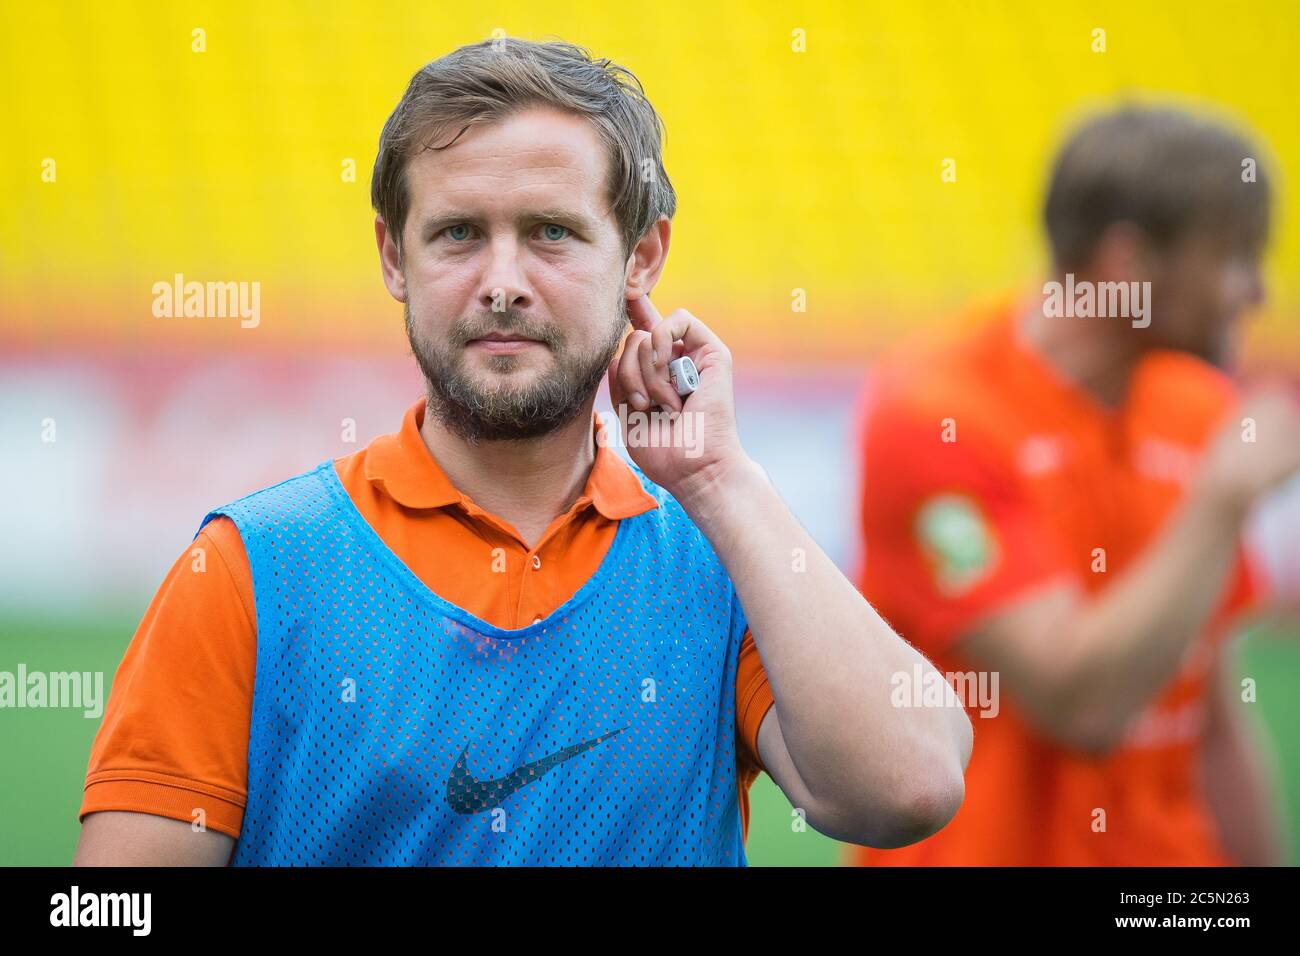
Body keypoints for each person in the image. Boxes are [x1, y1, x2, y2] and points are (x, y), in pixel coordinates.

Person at [74, 37, 971, 866]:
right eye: (459, 232)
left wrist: (718, 479)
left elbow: (909, 789)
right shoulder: (248, 570)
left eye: (551, 232)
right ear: (394, 256)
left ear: (641, 258)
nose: (502, 285)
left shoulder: (722, 565)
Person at [849, 105, 1300, 866]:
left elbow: (1211, 715)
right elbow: (1077, 703)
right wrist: (1221, 503)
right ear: (1128, 264)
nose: (1254, 291)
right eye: (1232, 257)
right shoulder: (935, 416)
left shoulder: (1198, 409)